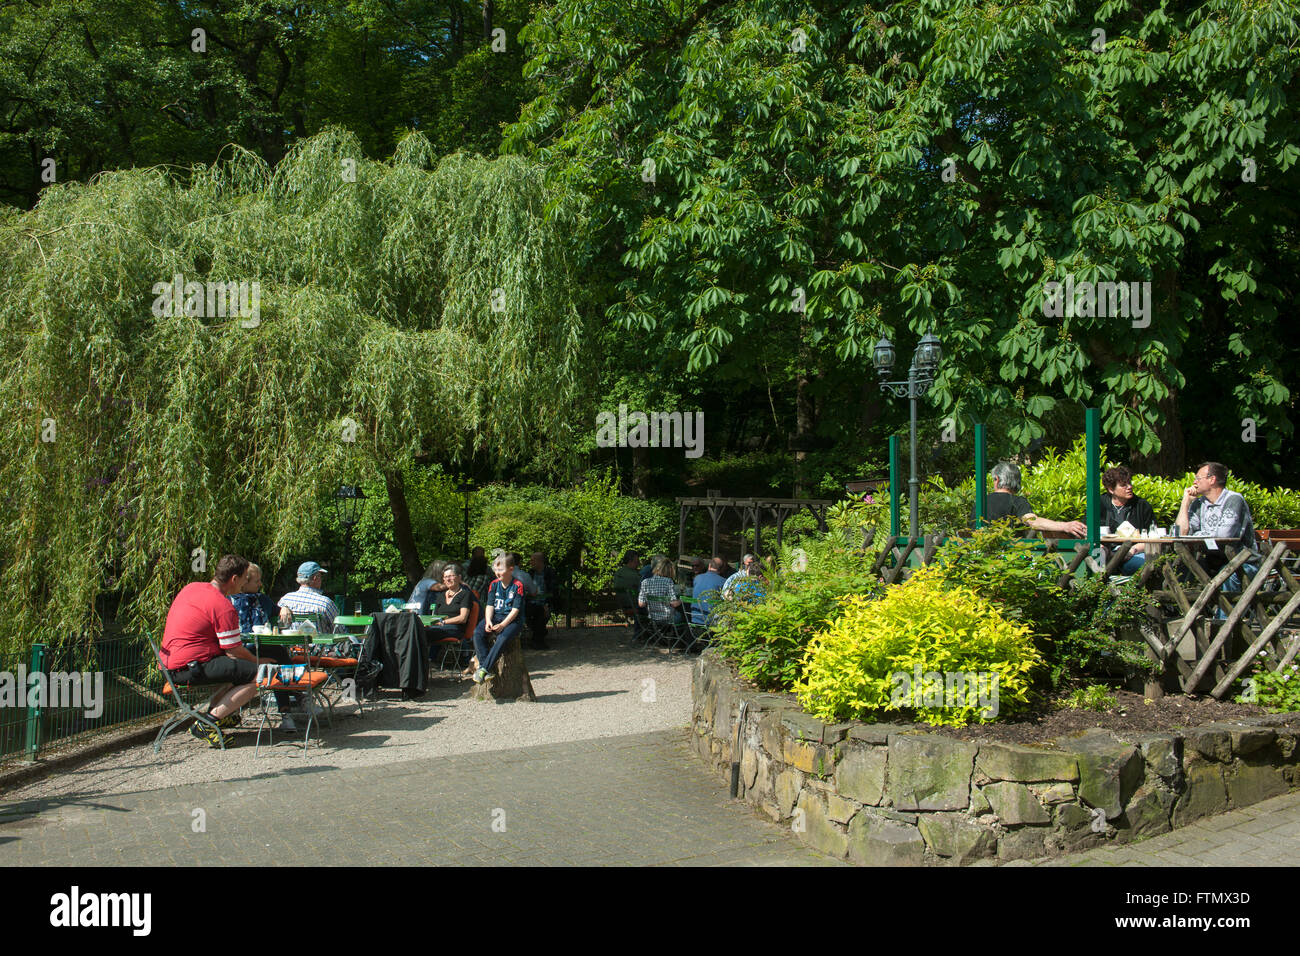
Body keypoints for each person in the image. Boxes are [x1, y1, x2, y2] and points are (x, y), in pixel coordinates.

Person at [160, 554, 275, 747]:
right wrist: (258, 661)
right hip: (190, 667)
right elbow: (234, 651)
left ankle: (217, 713)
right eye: (245, 579)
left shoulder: (191, 588)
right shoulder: (223, 606)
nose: (243, 584)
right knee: (259, 675)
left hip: (170, 664)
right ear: (234, 579)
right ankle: (209, 723)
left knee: (235, 670)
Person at [231, 563, 302, 726]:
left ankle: (287, 710)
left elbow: (277, 610)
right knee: (279, 657)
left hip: (263, 648)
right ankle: (295, 697)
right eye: (257, 581)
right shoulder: (229, 601)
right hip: (240, 650)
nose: (260, 584)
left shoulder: (261, 598)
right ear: (244, 583)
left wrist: (284, 608)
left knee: (279, 656)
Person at [1175, 461, 1259, 590]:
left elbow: (1223, 535)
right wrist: (1185, 502)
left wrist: (1197, 534)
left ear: (1212, 479)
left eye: (1198, 478)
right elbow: (1180, 533)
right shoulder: (1198, 504)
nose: (1194, 482)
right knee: (1180, 572)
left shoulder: (1234, 500)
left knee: (1227, 577)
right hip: (1211, 561)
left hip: (1243, 562)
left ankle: (1228, 611)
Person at [978, 462, 1086, 538]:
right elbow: (1033, 521)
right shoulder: (1017, 502)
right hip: (1007, 560)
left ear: (996, 480)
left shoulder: (980, 503)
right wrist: (1065, 526)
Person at [472, 553, 526, 684]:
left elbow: (515, 610)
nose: (497, 572)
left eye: (501, 569)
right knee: (477, 633)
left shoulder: (517, 585)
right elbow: (490, 605)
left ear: (511, 569)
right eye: (495, 569)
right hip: (495, 616)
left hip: (512, 620)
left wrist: (502, 625)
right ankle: (485, 667)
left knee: (502, 638)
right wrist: (488, 620)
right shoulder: (494, 584)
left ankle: (484, 668)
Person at [1100, 466, 1157, 576]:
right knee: (1097, 560)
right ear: (1111, 489)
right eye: (1123, 485)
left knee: (1146, 566)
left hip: (1135, 552)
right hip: (1106, 553)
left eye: (1129, 483)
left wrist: (1132, 550)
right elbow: (1087, 532)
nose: (1129, 487)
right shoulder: (1099, 504)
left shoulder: (1142, 506)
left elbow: (1153, 537)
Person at [429, 563, 476, 666]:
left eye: (451, 576)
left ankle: (426, 660)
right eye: (445, 577)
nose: (448, 579)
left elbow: (462, 618)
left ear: (459, 578)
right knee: (418, 630)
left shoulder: (465, 594)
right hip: (439, 628)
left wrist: (443, 621)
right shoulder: (440, 596)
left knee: (423, 633)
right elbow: (435, 617)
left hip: (456, 629)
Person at [278, 561, 339, 633]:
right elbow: (339, 630)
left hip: (293, 644)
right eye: (320, 576)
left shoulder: (286, 599)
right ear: (315, 578)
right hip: (319, 643)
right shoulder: (325, 603)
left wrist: (284, 607)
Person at [525, 552, 556, 650]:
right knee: (526, 613)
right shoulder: (530, 573)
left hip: (545, 602)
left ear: (540, 561)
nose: (530, 562)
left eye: (532, 560)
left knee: (542, 614)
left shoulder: (550, 573)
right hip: (531, 602)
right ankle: (539, 639)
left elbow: (553, 590)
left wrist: (546, 603)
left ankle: (537, 641)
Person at [638, 557, 682, 623]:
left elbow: (641, 604)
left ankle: (665, 633)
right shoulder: (668, 581)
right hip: (668, 618)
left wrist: (652, 601)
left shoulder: (645, 582)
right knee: (683, 616)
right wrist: (682, 600)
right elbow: (674, 604)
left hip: (652, 618)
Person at [691, 556, 727, 626]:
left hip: (695, 617)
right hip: (711, 620)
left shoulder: (697, 578)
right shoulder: (723, 582)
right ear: (722, 569)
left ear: (709, 566)